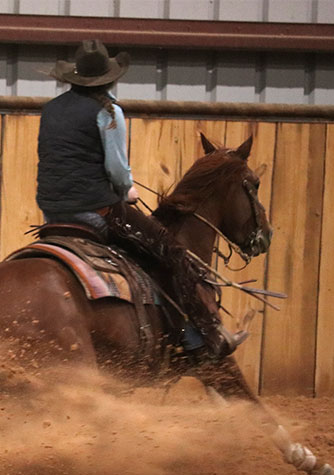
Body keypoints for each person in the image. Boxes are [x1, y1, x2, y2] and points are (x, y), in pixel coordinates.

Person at [36, 40, 247, 359]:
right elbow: (118, 171)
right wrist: (127, 191)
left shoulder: (51, 109)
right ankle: (202, 337)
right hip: (98, 210)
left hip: (53, 212)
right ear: (109, 78)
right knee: (174, 253)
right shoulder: (108, 112)